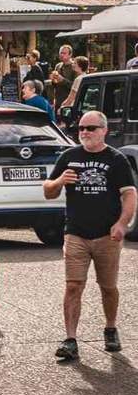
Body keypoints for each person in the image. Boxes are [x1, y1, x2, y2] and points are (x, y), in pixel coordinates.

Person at [44, 110, 137, 361]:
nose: (84, 132)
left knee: (108, 287)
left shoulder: (116, 160)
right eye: (81, 128)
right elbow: (48, 192)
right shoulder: (69, 156)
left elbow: (129, 194)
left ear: (104, 131)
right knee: (73, 285)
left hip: (107, 235)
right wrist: (59, 181)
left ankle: (110, 328)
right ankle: (71, 339)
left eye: (91, 128)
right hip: (75, 233)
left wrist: (122, 224)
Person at [48, 45, 77, 112]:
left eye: (64, 53)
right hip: (58, 100)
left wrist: (63, 80)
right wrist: (53, 80)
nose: (62, 55)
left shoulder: (74, 67)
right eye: (61, 53)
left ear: (70, 55)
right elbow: (54, 85)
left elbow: (76, 86)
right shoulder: (58, 66)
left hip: (69, 101)